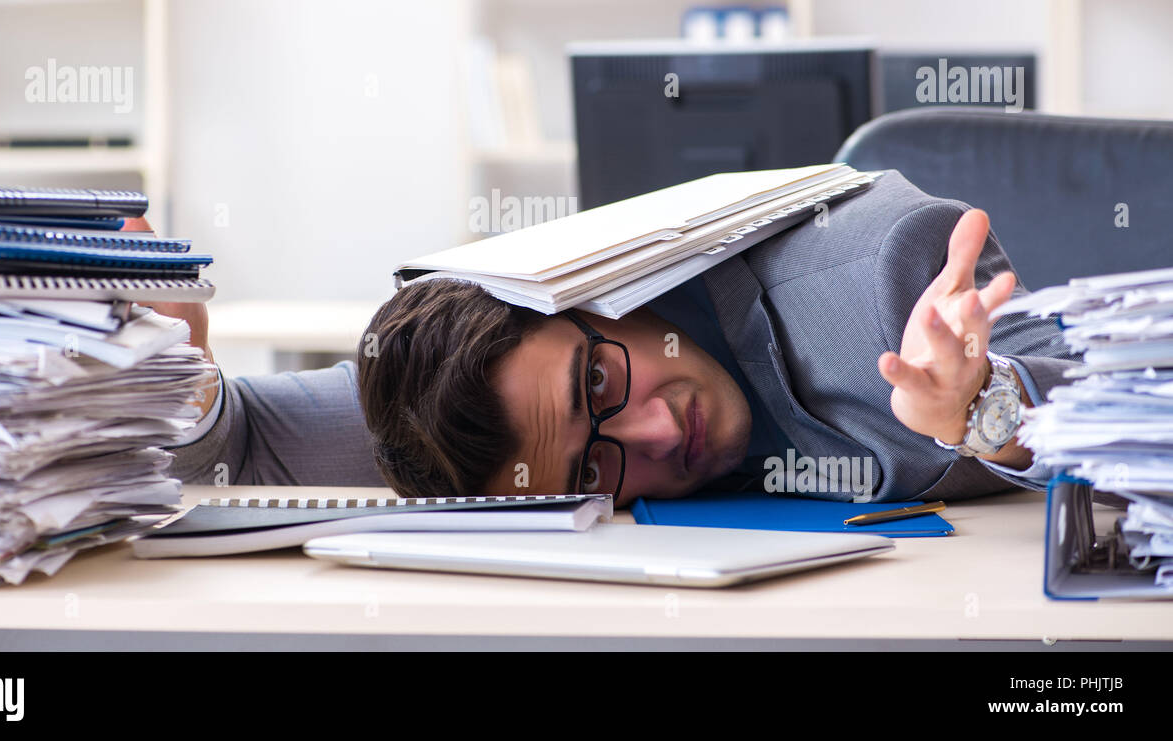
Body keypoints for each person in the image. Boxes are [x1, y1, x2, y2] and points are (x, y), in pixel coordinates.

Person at [162, 170, 1080, 507]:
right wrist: (163, 375)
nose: (650, 438)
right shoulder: (462, 423)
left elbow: (1112, 405)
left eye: (598, 386)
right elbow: (231, 441)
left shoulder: (889, 269)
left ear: (594, 297)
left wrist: (977, 402)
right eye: (589, 474)